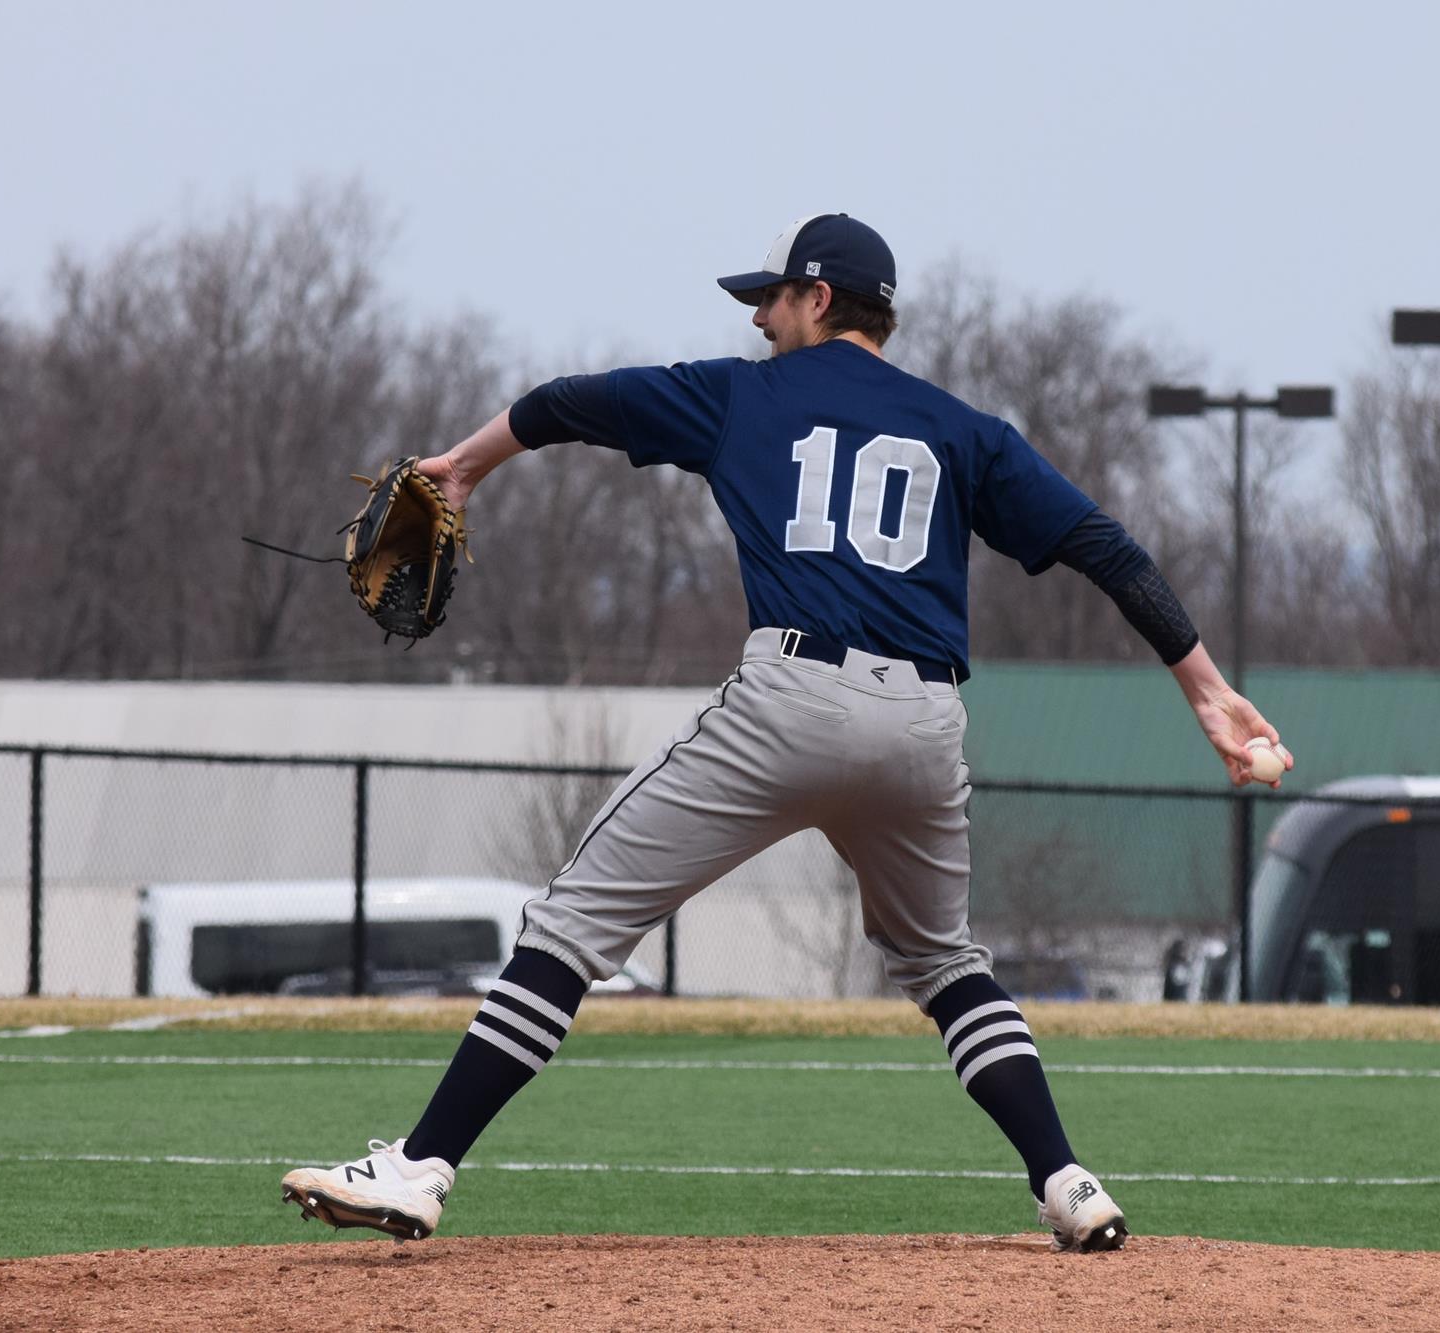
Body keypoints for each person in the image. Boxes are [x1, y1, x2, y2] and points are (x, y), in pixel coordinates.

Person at [280, 213, 1292, 1252]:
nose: (758, 318)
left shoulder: (742, 395)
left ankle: (421, 1165)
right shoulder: (964, 430)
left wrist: (466, 464)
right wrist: (1207, 692)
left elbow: (566, 402)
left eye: (769, 298)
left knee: (571, 923)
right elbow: (1104, 546)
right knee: (946, 963)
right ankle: (1068, 1181)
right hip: (922, 724)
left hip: (792, 701)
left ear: (818, 298)